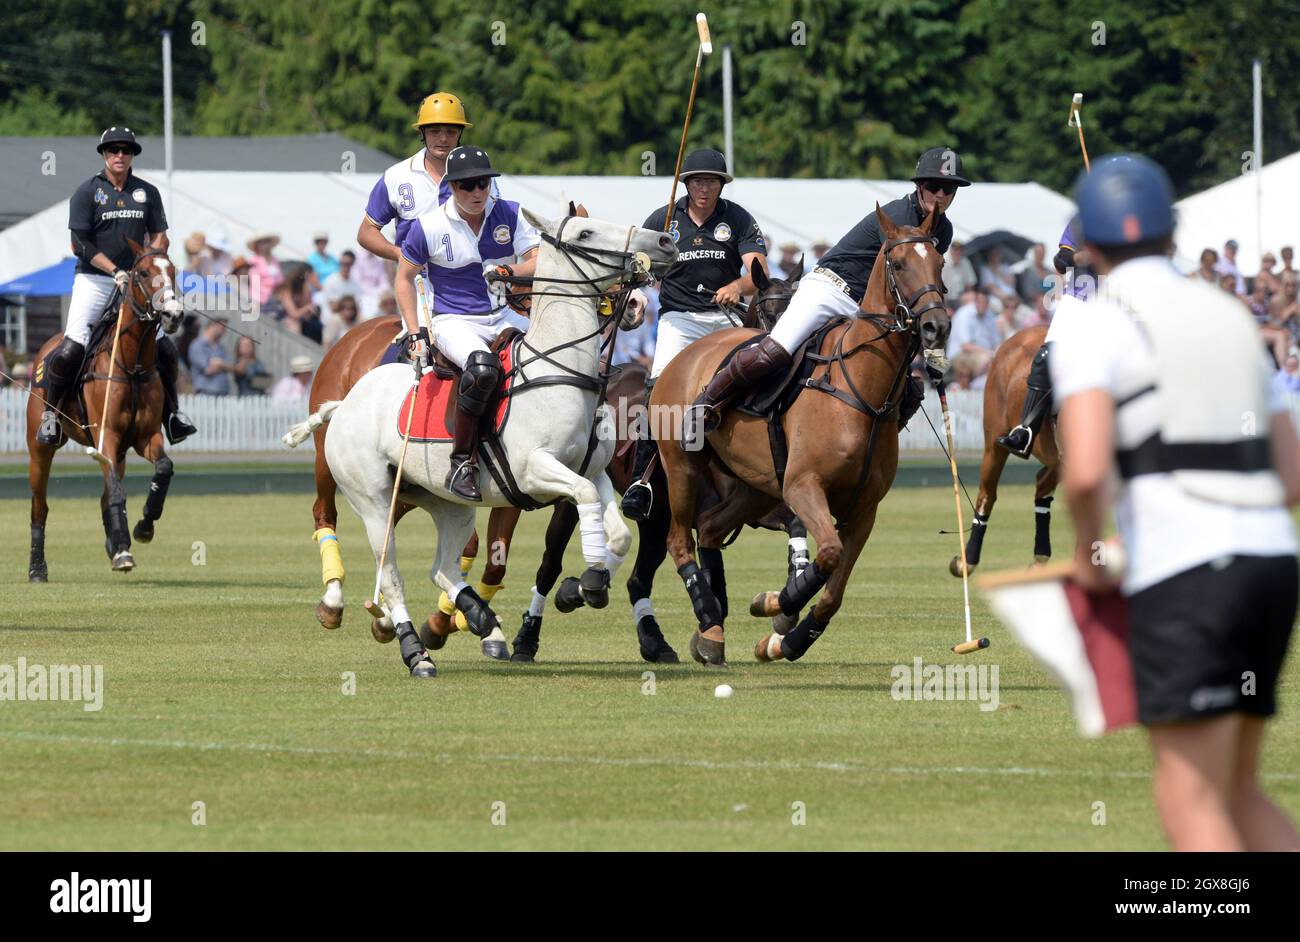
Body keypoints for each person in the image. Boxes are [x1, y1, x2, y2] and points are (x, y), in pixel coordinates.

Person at [1054, 153, 1300, 852]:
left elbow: (1084, 472)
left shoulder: (1093, 325)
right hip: (1273, 567)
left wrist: (1088, 552)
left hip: (1189, 572)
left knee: (1189, 800)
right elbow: (1293, 476)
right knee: (1239, 793)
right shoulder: (1230, 313)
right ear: (1172, 233)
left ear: (1090, 246)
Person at [680, 146, 969, 449]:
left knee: (909, 387)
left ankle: (872, 448)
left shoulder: (943, 232)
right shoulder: (899, 217)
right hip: (831, 289)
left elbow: (926, 288)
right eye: (933, 186)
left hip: (867, 309)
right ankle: (706, 402)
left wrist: (934, 350)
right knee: (777, 349)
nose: (940, 195)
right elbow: (896, 277)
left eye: (948, 189)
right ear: (919, 186)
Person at [619, 147, 768, 519]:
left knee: (767, 376)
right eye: (698, 181)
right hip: (679, 320)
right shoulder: (664, 217)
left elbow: (759, 271)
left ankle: (768, 464)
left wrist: (738, 285)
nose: (705, 188)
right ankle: (641, 479)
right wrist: (641, 283)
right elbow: (637, 268)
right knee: (657, 390)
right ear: (685, 184)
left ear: (721, 185)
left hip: (727, 317)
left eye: (712, 181)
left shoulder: (737, 219)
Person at [395, 146, 539, 501]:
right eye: (468, 185)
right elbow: (403, 280)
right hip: (454, 321)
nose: (478, 193)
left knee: (548, 360)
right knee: (482, 368)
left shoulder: (511, 214)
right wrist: (416, 332)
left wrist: (510, 271)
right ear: (454, 187)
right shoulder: (427, 227)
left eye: (484, 184)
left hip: (505, 315)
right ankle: (462, 462)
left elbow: (538, 259)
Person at [36, 126, 195, 446]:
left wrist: (152, 258)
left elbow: (160, 234)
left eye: (125, 149)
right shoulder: (87, 192)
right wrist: (114, 271)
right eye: (113, 150)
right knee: (71, 347)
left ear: (132, 154)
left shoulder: (147, 192)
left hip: (138, 284)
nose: (119, 155)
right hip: (94, 280)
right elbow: (79, 243)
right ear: (104, 154)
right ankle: (51, 416)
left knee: (164, 347)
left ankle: (173, 415)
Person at [358, 91, 498, 265]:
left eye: (451, 131)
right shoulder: (396, 176)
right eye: (434, 131)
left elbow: (497, 226)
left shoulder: (479, 174)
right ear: (422, 132)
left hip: (467, 284)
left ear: (460, 133)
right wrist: (399, 254)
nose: (443, 138)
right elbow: (366, 232)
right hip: (416, 285)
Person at [997, 216, 1092, 458]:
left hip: (1123, 301)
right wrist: (1082, 257)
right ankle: (1026, 430)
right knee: (1047, 356)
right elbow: (1062, 259)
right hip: (1080, 297)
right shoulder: (1086, 215)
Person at [945, 289, 1002, 376]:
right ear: (975, 301)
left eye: (984, 302)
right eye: (980, 301)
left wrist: (998, 353)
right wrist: (990, 353)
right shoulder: (964, 314)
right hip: (960, 354)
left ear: (988, 303)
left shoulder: (990, 315)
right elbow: (966, 346)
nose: (982, 304)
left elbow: (996, 342)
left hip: (985, 353)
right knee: (987, 362)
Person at [188, 317, 233, 396]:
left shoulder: (221, 348)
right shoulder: (197, 345)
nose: (224, 330)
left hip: (223, 392)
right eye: (222, 327)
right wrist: (223, 366)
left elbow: (231, 367)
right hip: (205, 392)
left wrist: (219, 363)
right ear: (211, 326)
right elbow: (208, 370)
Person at [246, 232, 283, 307]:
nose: (264, 245)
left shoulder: (274, 260)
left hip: (275, 297)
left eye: (266, 241)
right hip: (259, 299)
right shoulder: (254, 261)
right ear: (256, 245)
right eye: (261, 242)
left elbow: (280, 278)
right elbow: (255, 283)